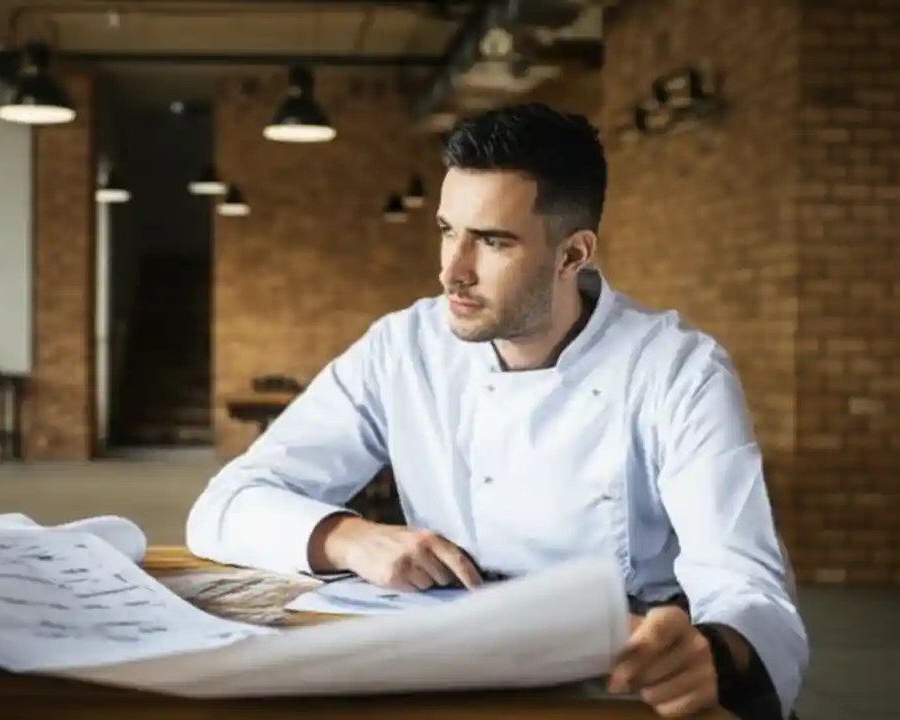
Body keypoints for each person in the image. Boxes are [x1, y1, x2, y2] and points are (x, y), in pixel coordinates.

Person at [185, 103, 807, 720]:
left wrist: (710, 653)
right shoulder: (402, 348)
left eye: (492, 241)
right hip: (452, 660)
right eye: (447, 231)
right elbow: (225, 505)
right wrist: (350, 538)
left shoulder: (677, 369)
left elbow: (747, 587)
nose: (451, 272)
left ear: (572, 255)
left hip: (619, 674)